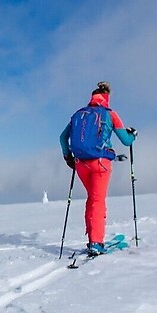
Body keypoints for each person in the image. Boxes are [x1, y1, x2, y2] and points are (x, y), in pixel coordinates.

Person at [59, 81, 136, 256]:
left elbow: (62, 138)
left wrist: (68, 157)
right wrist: (133, 135)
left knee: (92, 199)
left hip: (81, 164)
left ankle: (93, 238)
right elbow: (126, 141)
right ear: (107, 98)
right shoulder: (110, 114)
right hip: (100, 163)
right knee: (97, 200)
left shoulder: (78, 114)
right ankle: (96, 242)